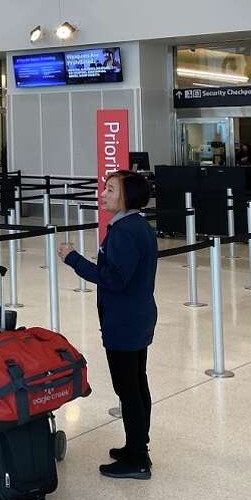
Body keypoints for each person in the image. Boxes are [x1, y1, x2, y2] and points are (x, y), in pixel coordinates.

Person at [58, 170, 157, 480]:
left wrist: (74, 259)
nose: (103, 194)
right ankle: (136, 445)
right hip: (134, 316)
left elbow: (114, 278)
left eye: (111, 190)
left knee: (128, 388)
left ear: (127, 196)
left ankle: (138, 458)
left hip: (125, 320)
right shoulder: (133, 226)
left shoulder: (126, 231)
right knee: (136, 383)